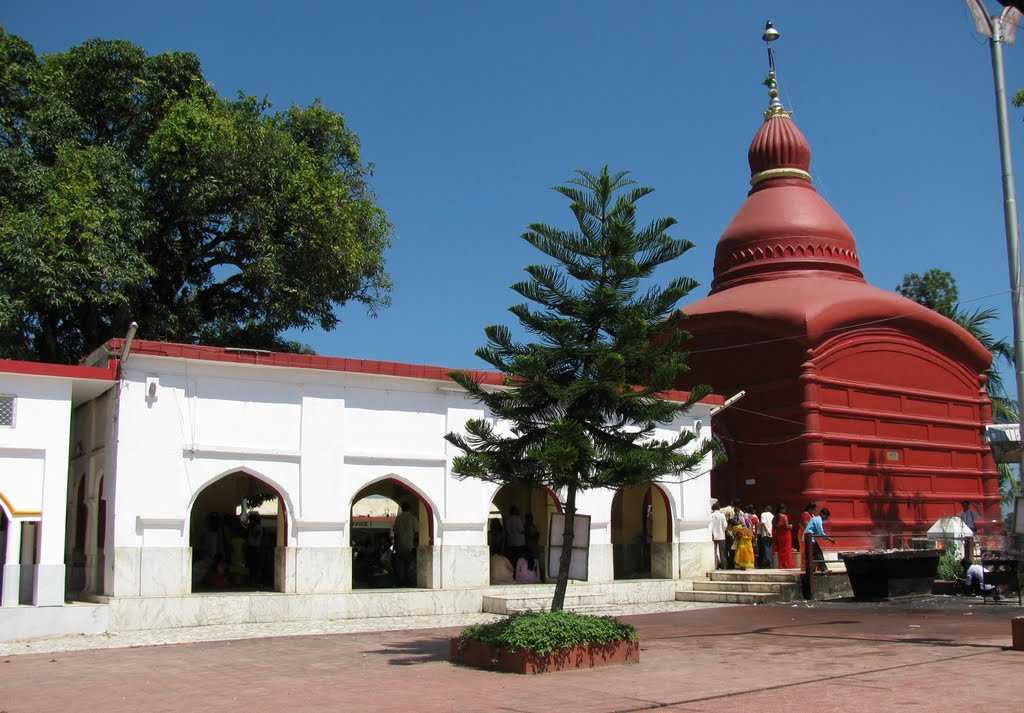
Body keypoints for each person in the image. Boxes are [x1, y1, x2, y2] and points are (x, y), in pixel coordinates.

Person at [392, 501, 419, 587]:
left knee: (401, 566)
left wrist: (395, 546)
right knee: (409, 565)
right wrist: (415, 545)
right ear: (409, 509)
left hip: (400, 546)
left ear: (402, 509)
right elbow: (417, 532)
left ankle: (401, 582)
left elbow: (395, 533)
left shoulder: (398, 519)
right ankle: (408, 582)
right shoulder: (412, 518)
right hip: (410, 546)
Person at [804, 507, 834, 573]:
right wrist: (830, 539)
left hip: (808, 538)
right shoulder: (818, 520)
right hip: (810, 539)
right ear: (823, 514)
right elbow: (821, 533)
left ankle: (812, 569)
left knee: (812, 554)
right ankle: (823, 569)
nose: (825, 518)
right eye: (826, 516)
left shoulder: (815, 518)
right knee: (818, 553)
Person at [773, 504, 794, 569]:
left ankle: (781, 565)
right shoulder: (784, 516)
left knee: (781, 550)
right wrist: (791, 526)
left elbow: (776, 526)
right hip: (785, 535)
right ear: (782, 509)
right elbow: (787, 526)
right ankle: (786, 565)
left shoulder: (775, 517)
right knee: (786, 550)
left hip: (779, 535)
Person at [246, 512, 263, 586]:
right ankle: (251, 580)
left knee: (255, 565)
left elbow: (255, 536)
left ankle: (255, 581)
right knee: (251, 565)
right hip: (251, 547)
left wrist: (251, 528)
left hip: (255, 548)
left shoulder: (257, 527)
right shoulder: (252, 527)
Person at [710, 503, 729, 570]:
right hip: (721, 536)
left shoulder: (711, 515)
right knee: (722, 552)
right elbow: (725, 526)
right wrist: (723, 531)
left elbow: (710, 527)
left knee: (714, 552)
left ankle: (715, 566)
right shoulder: (722, 515)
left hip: (713, 536)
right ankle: (724, 566)